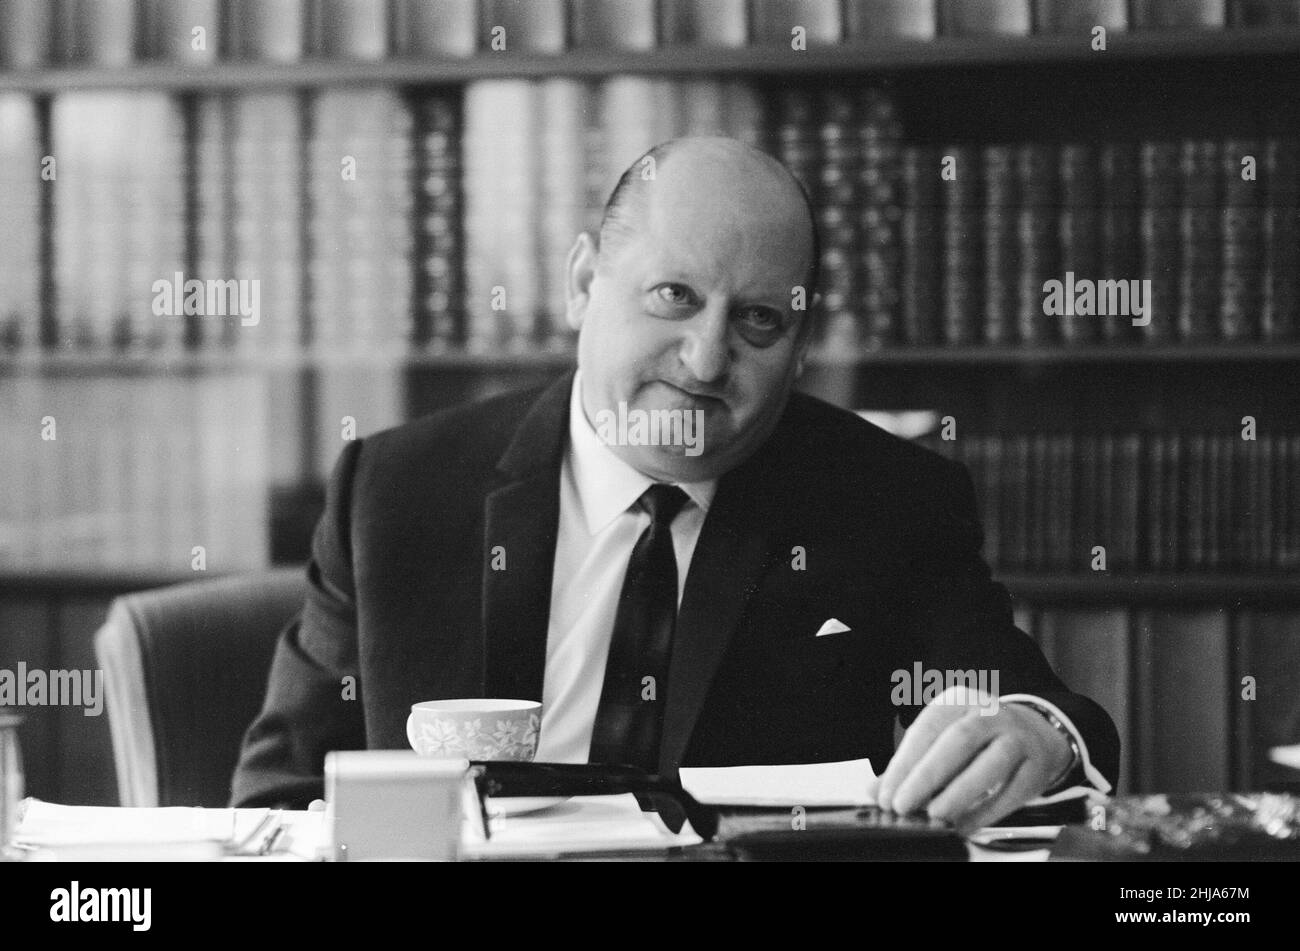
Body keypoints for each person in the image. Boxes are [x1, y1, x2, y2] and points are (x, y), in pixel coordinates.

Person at [232, 136, 1118, 831]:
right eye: (674, 297)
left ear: (801, 351)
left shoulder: (886, 501)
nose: (704, 360)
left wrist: (1034, 735)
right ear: (584, 282)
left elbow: (1042, 715)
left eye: (758, 321)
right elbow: (277, 804)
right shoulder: (395, 492)